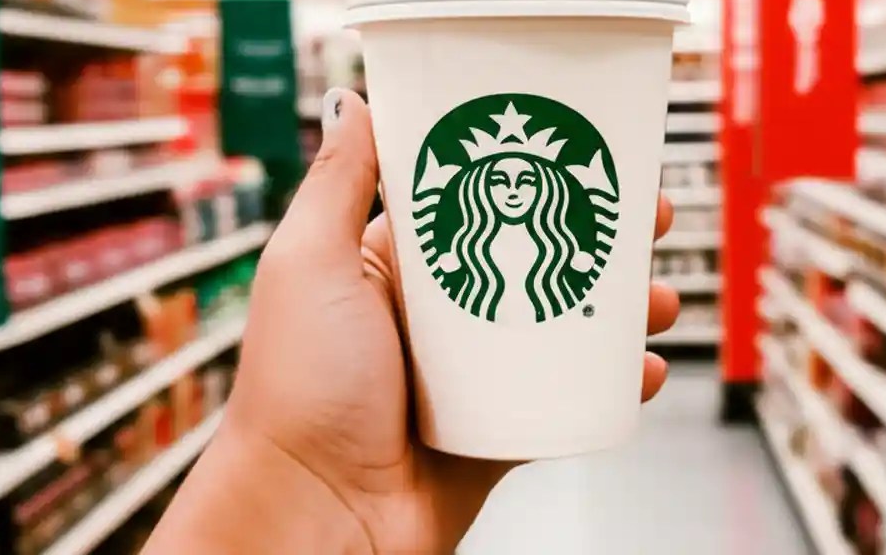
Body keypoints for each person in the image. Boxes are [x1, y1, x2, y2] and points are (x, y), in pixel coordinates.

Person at [144, 89, 681, 554]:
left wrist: (298, 479)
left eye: (527, 180)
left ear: (549, 189)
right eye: (498, 181)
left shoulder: (557, 260)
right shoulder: (467, 259)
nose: (514, 192)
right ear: (476, 191)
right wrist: (299, 465)